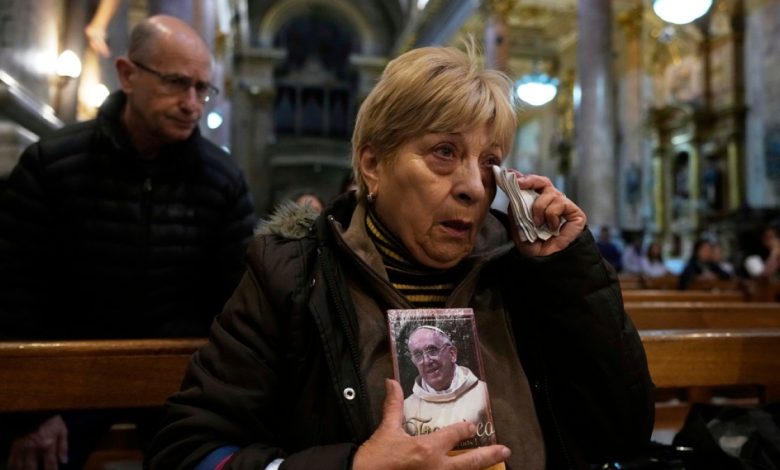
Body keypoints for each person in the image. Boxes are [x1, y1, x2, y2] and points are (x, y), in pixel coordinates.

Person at [146, 44, 653, 470]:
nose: (475, 188)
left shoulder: (526, 274)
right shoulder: (294, 274)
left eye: (490, 162)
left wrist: (567, 271)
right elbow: (188, 450)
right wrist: (353, 466)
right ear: (373, 164)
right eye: (444, 153)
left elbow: (622, 434)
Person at [0, 15, 256, 469]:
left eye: (202, 88)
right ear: (127, 74)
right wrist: (30, 410)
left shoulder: (223, 180)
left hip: (178, 384)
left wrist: (220, 409)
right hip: (63, 381)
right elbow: (15, 287)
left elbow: (233, 303)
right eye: (177, 83)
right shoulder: (51, 164)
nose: (192, 104)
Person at [403, 326, 490, 444]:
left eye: (432, 350)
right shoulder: (406, 409)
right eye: (418, 355)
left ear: (452, 354)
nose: (427, 360)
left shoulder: (484, 393)